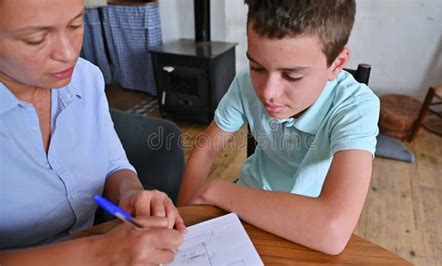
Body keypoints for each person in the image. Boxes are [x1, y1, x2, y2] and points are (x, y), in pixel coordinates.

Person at [178, 0, 379, 255]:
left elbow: (332, 230)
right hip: (246, 200)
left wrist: (214, 190)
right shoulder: (245, 85)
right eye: (257, 67)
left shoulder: (355, 106)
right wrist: (183, 220)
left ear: (336, 65)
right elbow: (206, 150)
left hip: (306, 223)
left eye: (292, 76)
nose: (268, 93)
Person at [0, 0, 185, 264]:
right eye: (36, 39)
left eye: (76, 24)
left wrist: (131, 194)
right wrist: (98, 253)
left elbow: (112, 163)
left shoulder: (86, 78)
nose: (68, 53)